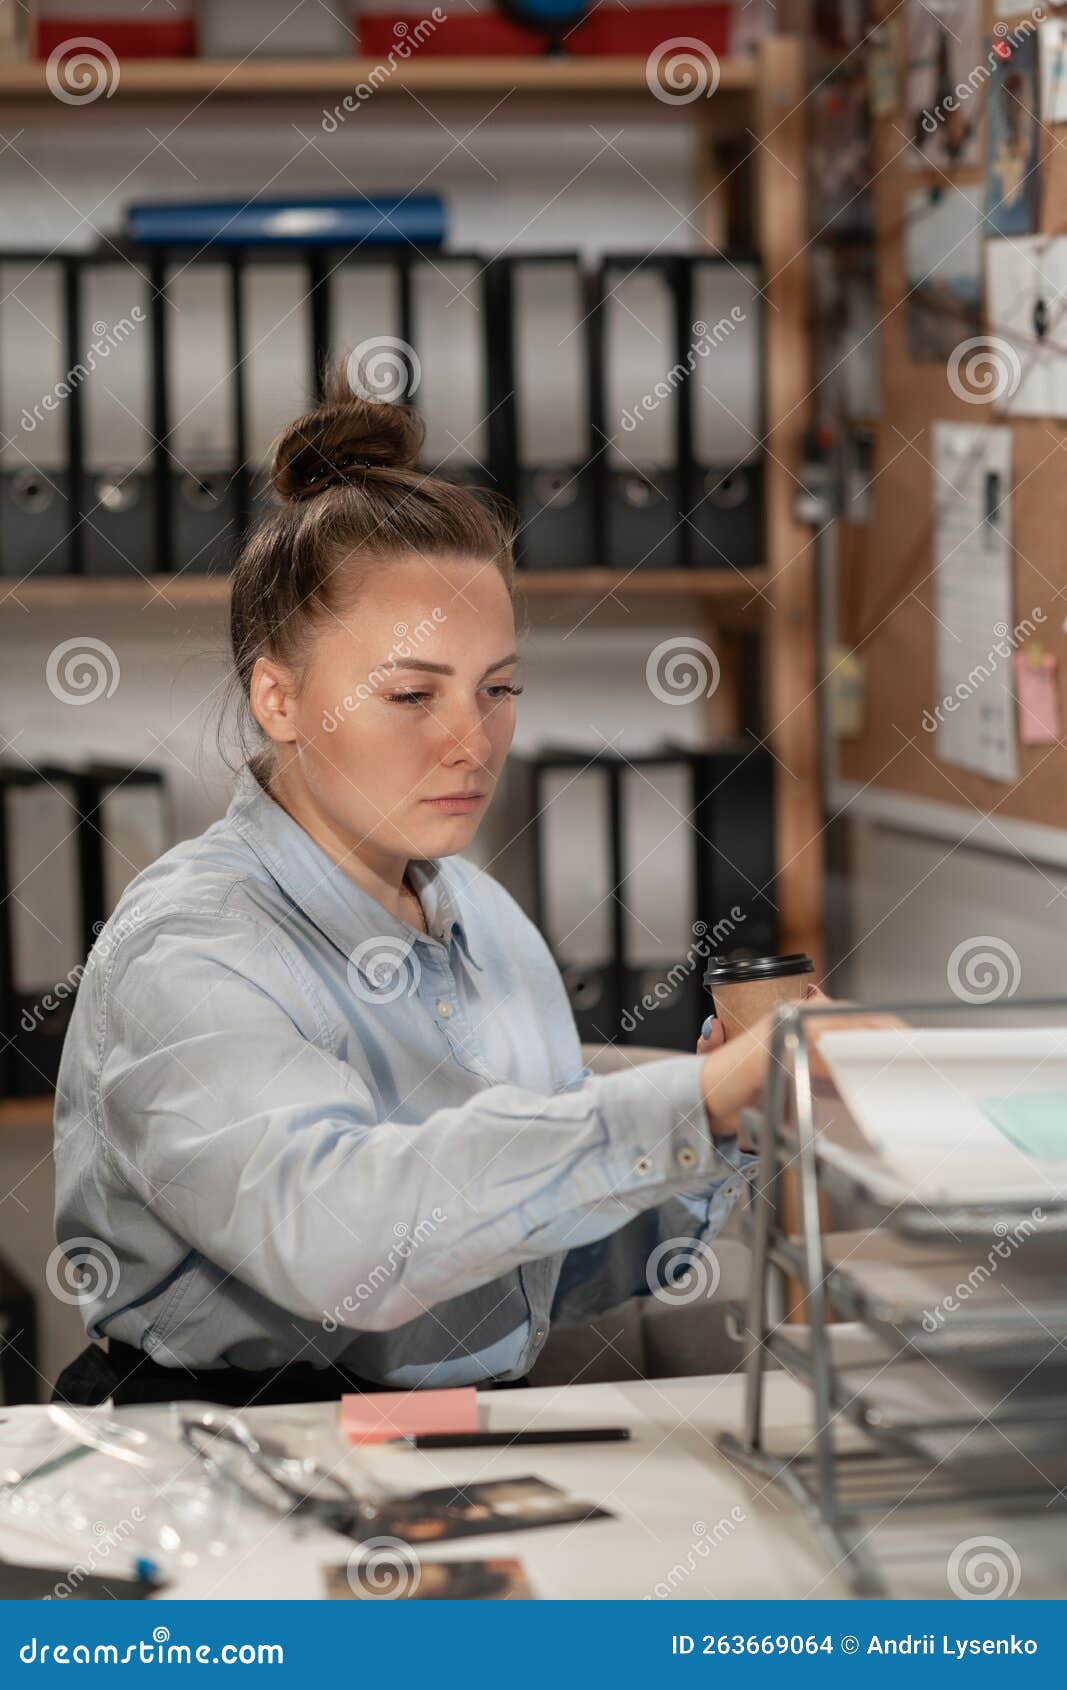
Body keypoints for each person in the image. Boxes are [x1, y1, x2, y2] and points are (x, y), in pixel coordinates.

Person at [51, 361, 844, 1408]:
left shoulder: (486, 920)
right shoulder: (192, 946)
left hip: (439, 1436)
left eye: (498, 688)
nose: (471, 741)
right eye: (412, 693)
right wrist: (686, 1097)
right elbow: (349, 1245)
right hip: (219, 1445)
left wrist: (727, 1128)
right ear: (279, 699)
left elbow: (531, 1267)